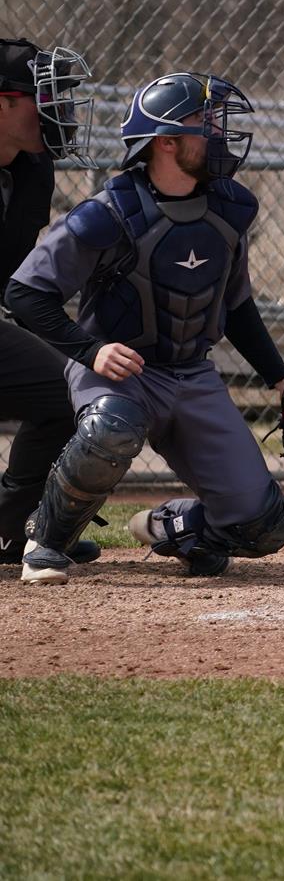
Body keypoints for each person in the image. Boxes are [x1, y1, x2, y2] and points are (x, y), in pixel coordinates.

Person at [6, 73, 284, 582]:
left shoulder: (230, 209)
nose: (219, 135)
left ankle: (173, 528)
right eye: (205, 123)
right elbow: (24, 293)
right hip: (119, 371)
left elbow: (237, 305)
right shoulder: (108, 215)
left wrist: (279, 377)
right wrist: (89, 351)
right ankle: (46, 540)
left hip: (192, 375)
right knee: (109, 429)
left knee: (265, 525)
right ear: (166, 142)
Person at [0, 39, 99, 567]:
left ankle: (9, 527)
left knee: (65, 387)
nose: (59, 111)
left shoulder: (33, 169)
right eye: (42, 97)